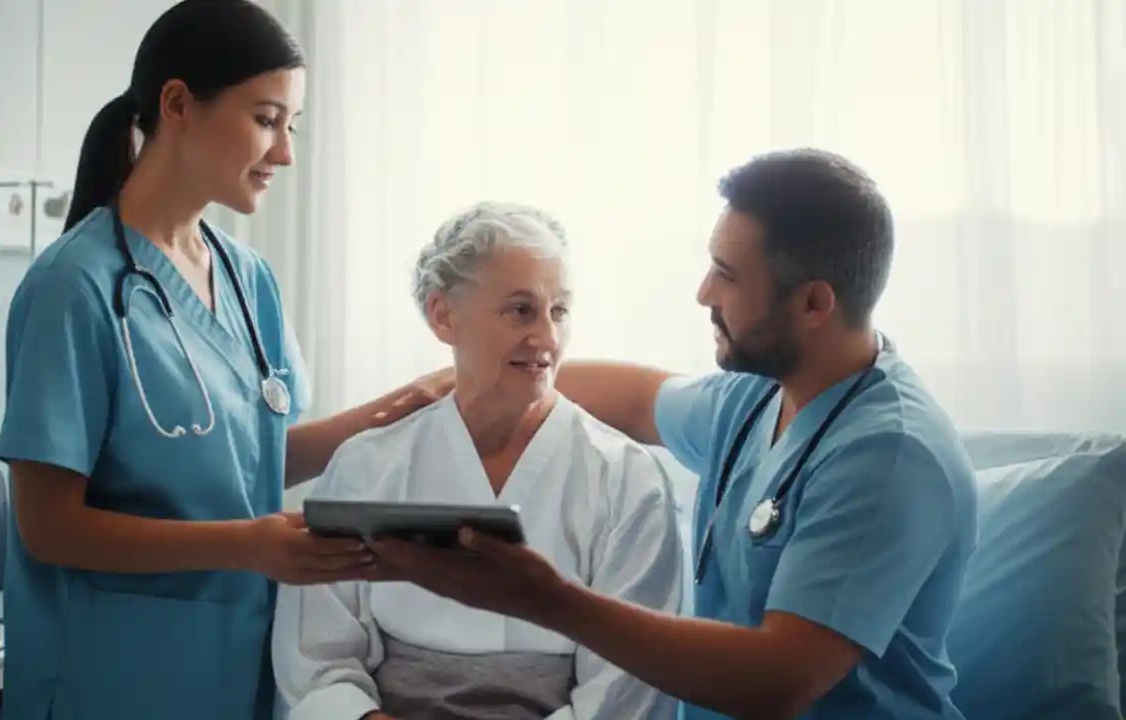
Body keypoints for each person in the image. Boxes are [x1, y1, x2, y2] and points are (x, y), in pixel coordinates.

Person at [372, 149, 980, 719]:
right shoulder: (759, 395)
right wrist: (471, 379)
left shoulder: (890, 455)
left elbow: (779, 681)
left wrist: (546, 598)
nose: (703, 293)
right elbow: (634, 396)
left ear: (815, 304)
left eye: (727, 275)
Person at [0, 2, 440, 718]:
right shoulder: (73, 288)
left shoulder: (247, 278)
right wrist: (248, 546)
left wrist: (403, 405)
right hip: (107, 681)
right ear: (177, 104)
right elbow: (49, 527)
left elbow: (250, 462)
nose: (285, 152)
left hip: (232, 673)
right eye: (267, 120)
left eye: (291, 126)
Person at [272, 202, 684, 720]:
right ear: (443, 315)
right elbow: (314, 657)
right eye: (520, 310)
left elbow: (631, 684)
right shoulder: (366, 465)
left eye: (559, 310)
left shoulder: (625, 476)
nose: (548, 338)